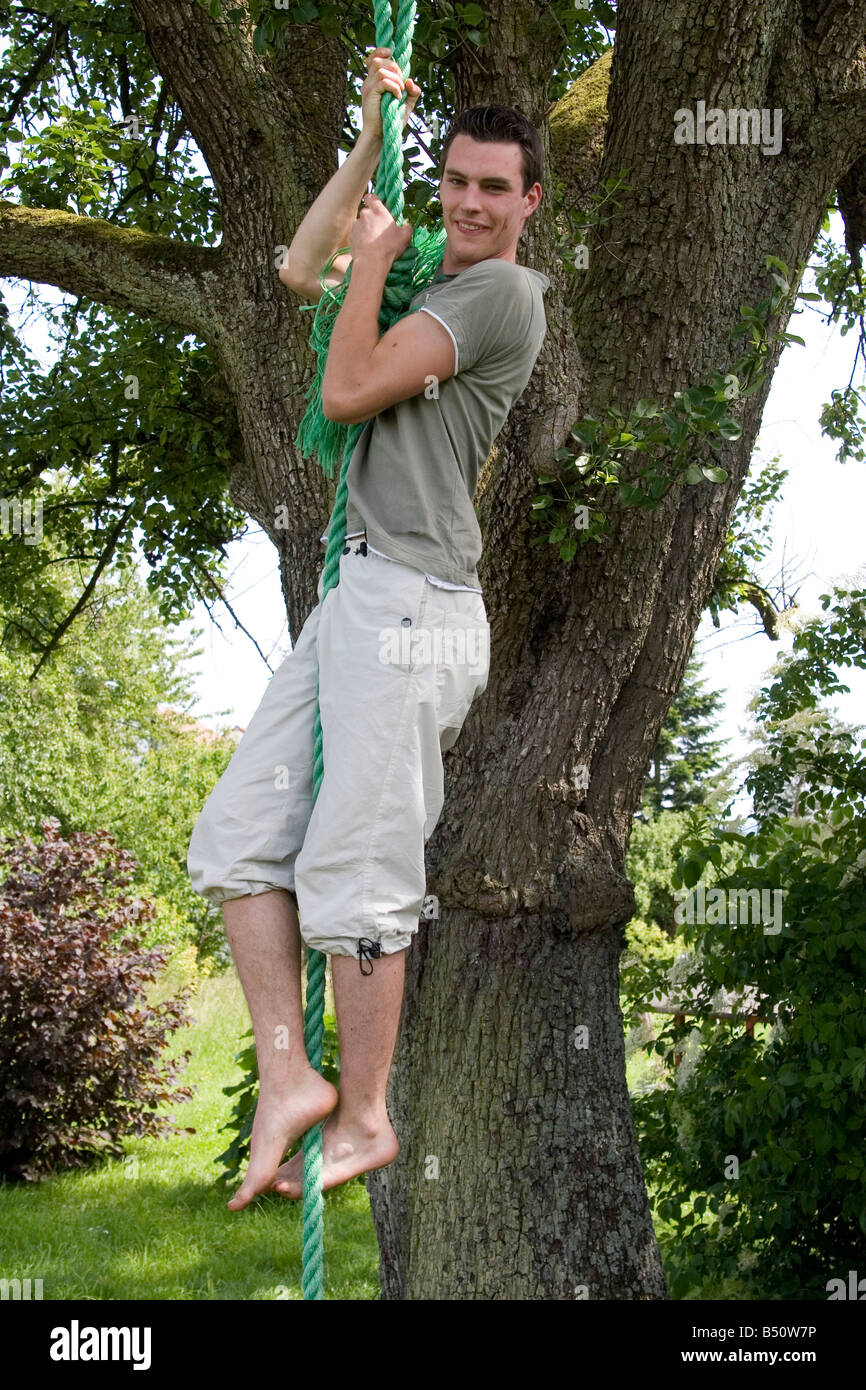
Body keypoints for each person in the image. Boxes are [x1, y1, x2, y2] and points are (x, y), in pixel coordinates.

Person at [187, 47, 550, 1209]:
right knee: (240, 833)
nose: (469, 203)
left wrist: (378, 260)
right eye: (455, 180)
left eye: (494, 187)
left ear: (529, 201)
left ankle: (370, 1112)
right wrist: (361, 146)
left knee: (356, 875)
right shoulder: (416, 280)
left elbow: (344, 392)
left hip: (415, 608)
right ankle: (288, 1077)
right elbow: (301, 265)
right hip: (357, 593)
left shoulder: (500, 295)